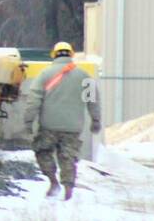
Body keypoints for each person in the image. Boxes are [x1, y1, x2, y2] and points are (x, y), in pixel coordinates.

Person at [23, 41, 101, 200]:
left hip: (49, 126)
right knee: (68, 158)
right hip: (73, 127)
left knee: (42, 151)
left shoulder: (45, 74)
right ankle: (68, 191)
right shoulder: (84, 76)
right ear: (71, 55)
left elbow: (33, 100)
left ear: (54, 55)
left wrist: (29, 121)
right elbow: (93, 101)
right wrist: (96, 120)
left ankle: (53, 181)